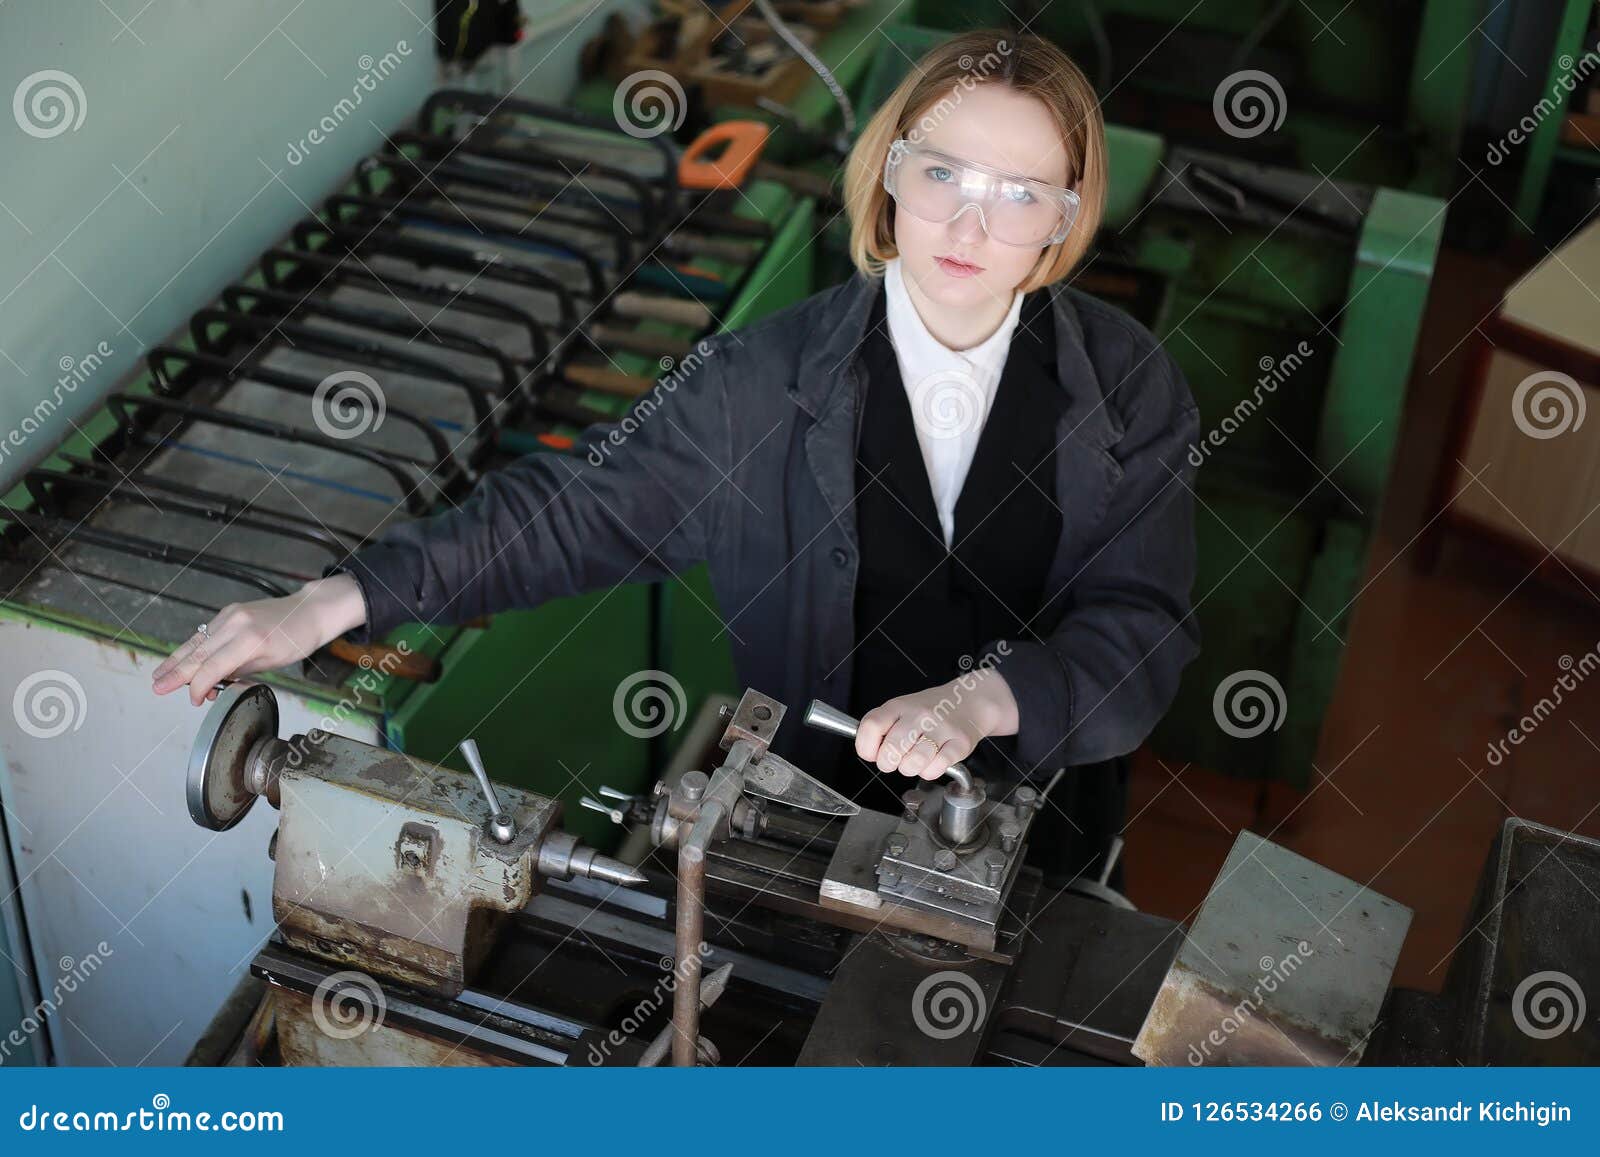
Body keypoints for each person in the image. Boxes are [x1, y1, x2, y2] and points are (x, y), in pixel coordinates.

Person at [153, 29, 1201, 888]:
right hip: (812, 835)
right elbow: (574, 512)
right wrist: (338, 598)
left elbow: (1140, 629)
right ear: (888, 176)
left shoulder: (1124, 384)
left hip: (1040, 854)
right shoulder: (757, 382)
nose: (969, 221)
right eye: (940, 171)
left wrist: (983, 699)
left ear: (1067, 216)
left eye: (1019, 192)